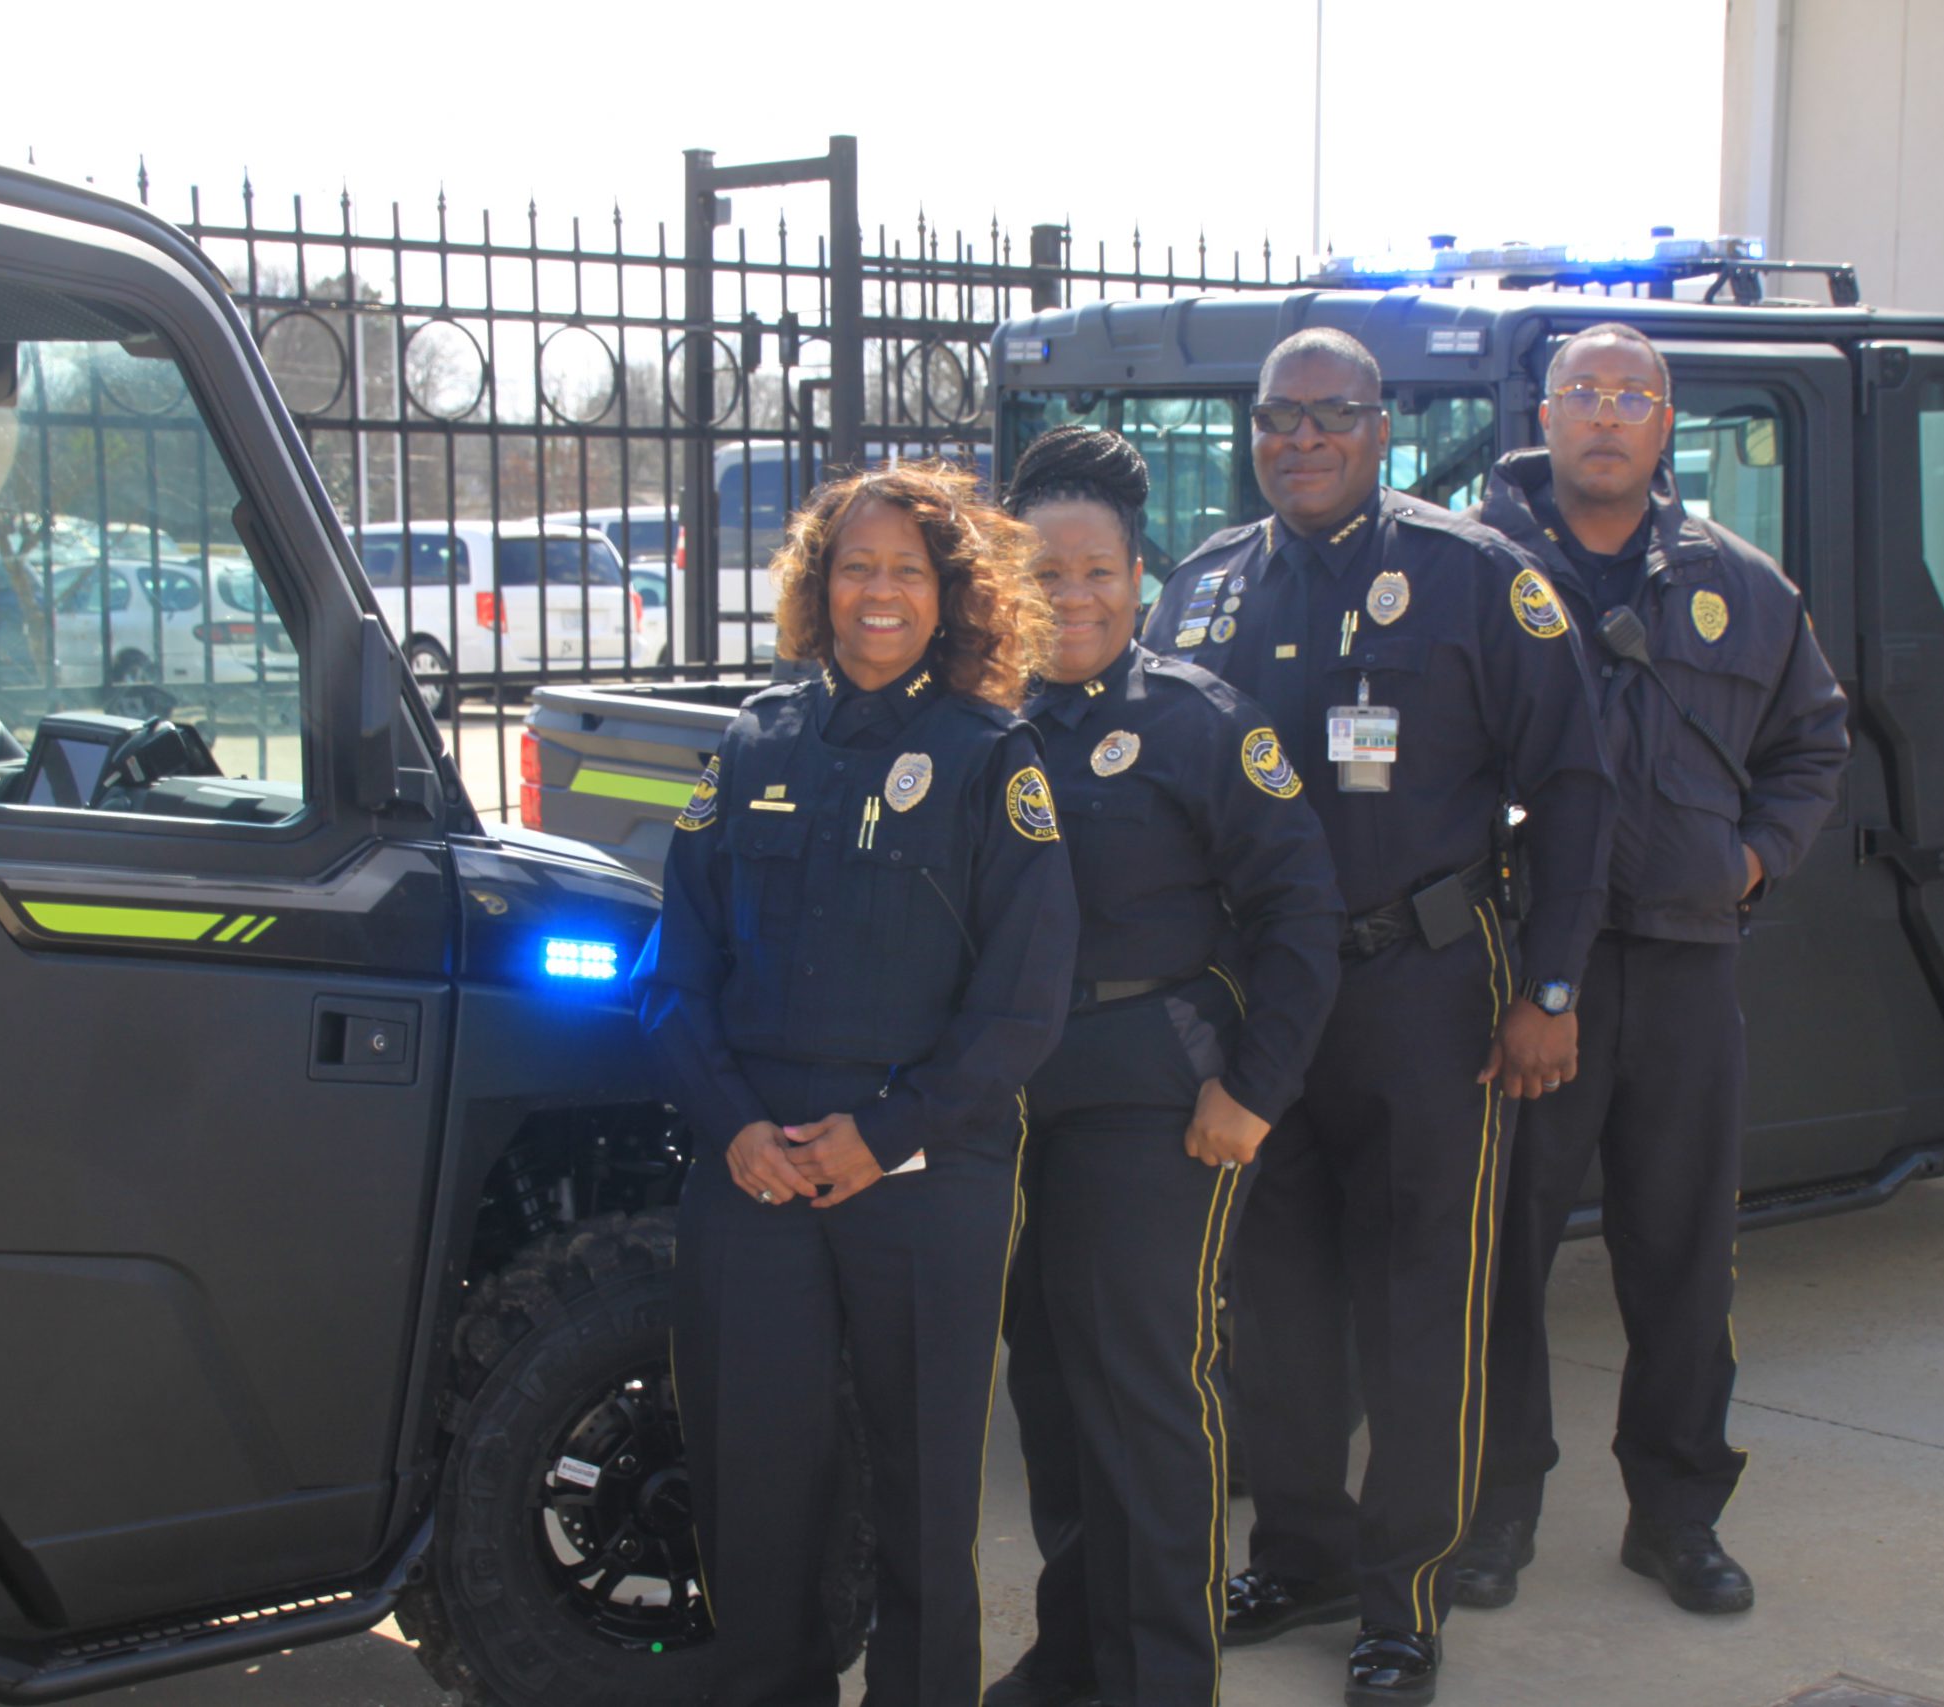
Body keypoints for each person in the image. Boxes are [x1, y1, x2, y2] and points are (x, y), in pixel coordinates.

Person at [1141, 328, 1616, 1705]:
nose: (1300, 439)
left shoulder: (1475, 577)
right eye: (1277, 417)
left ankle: (1404, 1595)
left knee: (1422, 1302)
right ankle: (1299, 1551)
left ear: (1383, 426)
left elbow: (1579, 786)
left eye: (1330, 415)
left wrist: (1554, 986)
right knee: (1273, 1299)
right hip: (1256, 1007)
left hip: (1424, 991)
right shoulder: (1206, 586)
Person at [638, 460, 1079, 1707]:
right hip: (755, 1170)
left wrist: (879, 1136)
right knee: (757, 1479)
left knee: (925, 1490)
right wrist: (736, 1131)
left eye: (906, 571)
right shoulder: (755, 742)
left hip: (922, 1174)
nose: (877, 593)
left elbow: (1023, 1001)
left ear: (950, 595)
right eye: (854, 567)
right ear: (816, 587)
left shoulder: (995, 755)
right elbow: (673, 974)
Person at [1452, 322, 1849, 1616]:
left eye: (1634, 394)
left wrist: (1746, 862)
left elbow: (1813, 740)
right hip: (1519, 972)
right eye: (1585, 391)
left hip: (1683, 962)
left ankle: (1675, 1512)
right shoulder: (1468, 571)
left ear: (1666, 423)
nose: (1608, 414)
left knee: (1681, 1254)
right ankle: (1492, 1508)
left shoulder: (1744, 582)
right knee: (1499, 1250)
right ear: (1546, 412)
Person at [988, 426, 1345, 1707]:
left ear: (1138, 580)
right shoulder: (979, 725)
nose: (1071, 598)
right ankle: (1075, 1654)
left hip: (1153, 1106)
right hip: (1008, 1106)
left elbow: (1301, 916)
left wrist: (1252, 1089)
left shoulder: (1199, 724)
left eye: (1096, 573)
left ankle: (1158, 1679)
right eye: (1044, 575)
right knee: (1049, 1396)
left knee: (1145, 1398)